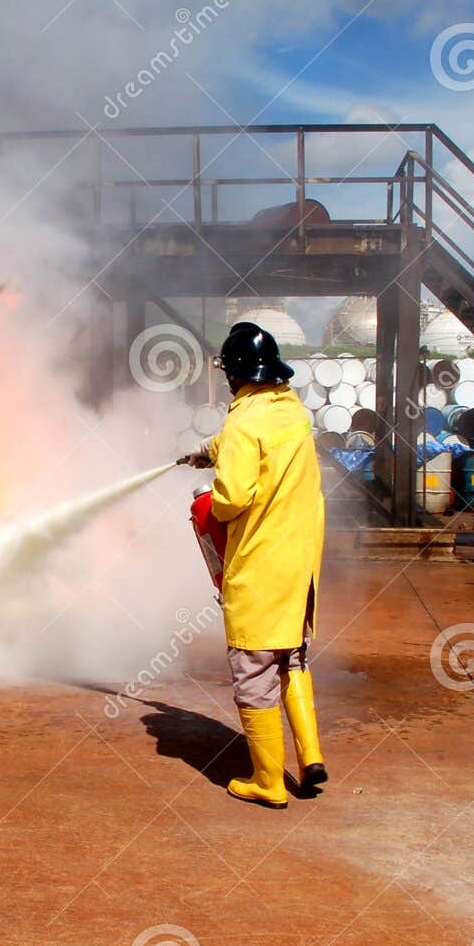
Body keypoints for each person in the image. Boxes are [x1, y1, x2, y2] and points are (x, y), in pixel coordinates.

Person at [183, 321, 326, 808]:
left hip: (260, 565)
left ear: (235, 374)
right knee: (293, 658)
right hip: (299, 564)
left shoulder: (244, 423)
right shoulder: (290, 413)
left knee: (254, 666)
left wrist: (214, 494)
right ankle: (309, 760)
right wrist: (207, 452)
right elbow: (245, 442)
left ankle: (268, 781)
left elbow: (231, 498)